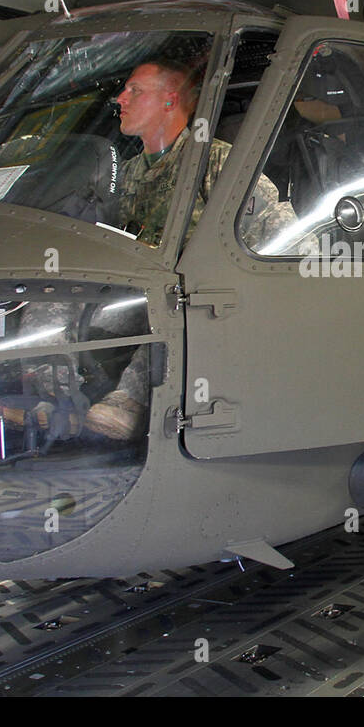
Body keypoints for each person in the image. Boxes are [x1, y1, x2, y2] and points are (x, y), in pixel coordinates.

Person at [83, 57, 292, 440]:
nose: (120, 99)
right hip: (125, 296)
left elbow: (285, 237)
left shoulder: (219, 163)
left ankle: (128, 401)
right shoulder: (124, 173)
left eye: (135, 91)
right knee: (55, 296)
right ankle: (51, 396)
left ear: (170, 100)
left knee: (175, 302)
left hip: (189, 303)